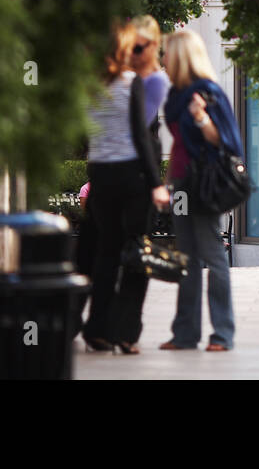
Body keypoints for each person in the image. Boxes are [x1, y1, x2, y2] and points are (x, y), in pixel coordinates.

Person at [81, 21, 169, 354]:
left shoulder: (90, 86)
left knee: (106, 253)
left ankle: (97, 328)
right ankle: (126, 332)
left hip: (100, 174)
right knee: (137, 253)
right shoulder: (132, 82)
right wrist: (156, 183)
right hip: (132, 176)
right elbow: (140, 134)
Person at [160, 28, 239, 351]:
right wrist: (166, 183)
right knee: (186, 257)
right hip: (180, 184)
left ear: (179, 56)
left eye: (166, 53)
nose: (162, 58)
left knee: (211, 254)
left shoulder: (207, 92)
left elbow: (228, 141)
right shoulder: (174, 95)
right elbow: (179, 144)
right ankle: (185, 333)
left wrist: (202, 118)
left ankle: (222, 333)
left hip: (203, 183)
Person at [129, 15, 170, 149]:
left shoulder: (155, 79)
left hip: (135, 157)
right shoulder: (129, 74)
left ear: (153, 45)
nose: (132, 54)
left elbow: (138, 124)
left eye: (137, 49)